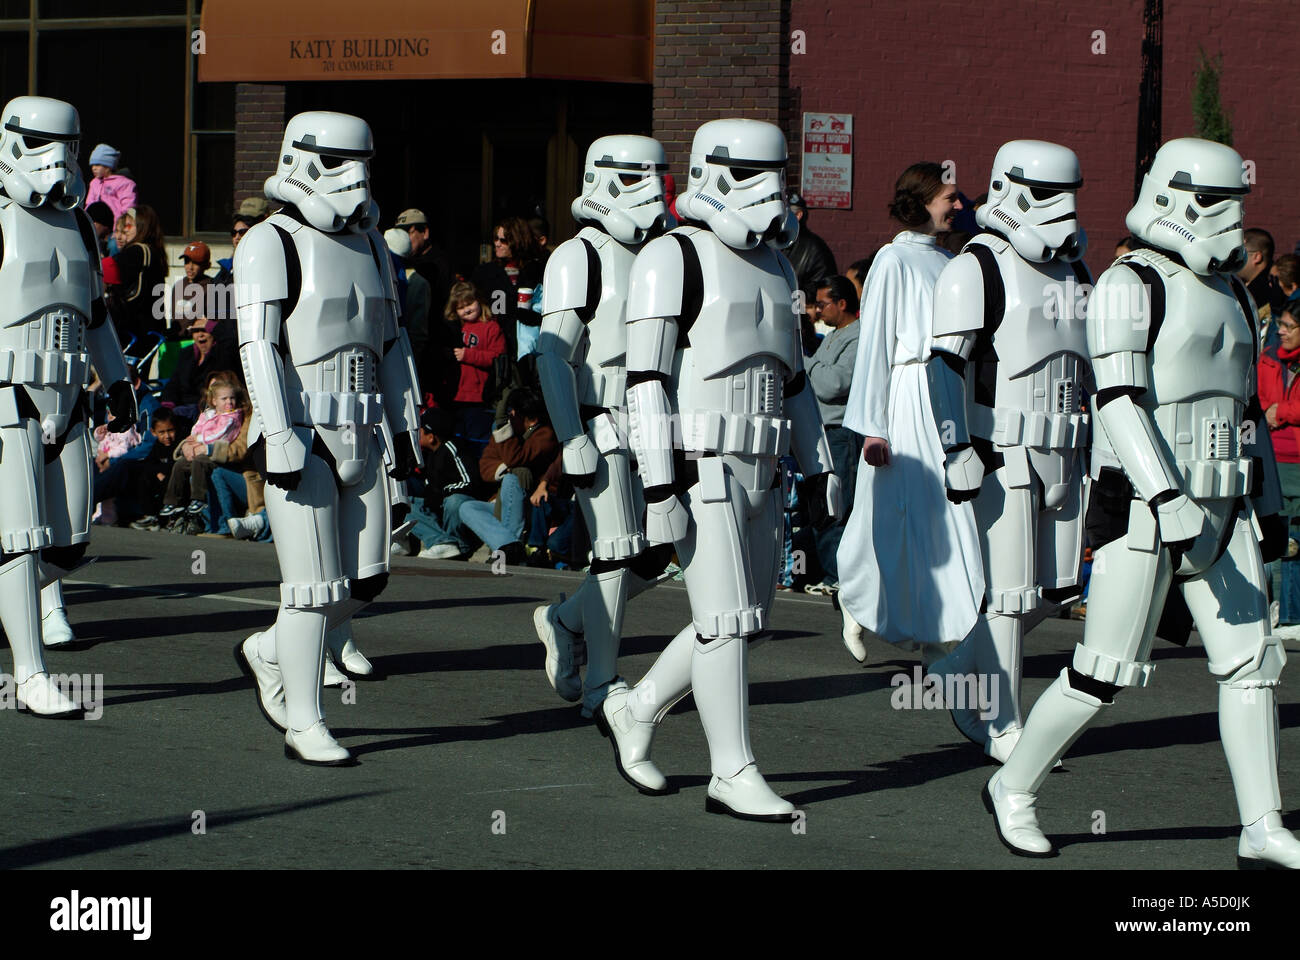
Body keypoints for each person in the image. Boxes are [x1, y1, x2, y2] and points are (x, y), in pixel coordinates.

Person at [983, 138, 1300, 869]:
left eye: (1237, 205)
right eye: (1216, 202)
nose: (1230, 218)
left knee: (1253, 665)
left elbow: (1246, 406)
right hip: (1145, 507)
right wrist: (1164, 494)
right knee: (1102, 673)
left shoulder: (1233, 291)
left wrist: (1267, 502)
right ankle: (1015, 785)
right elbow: (1118, 399)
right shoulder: (1131, 282)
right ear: (1173, 197)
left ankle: (1260, 822)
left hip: (1223, 505)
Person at [609, 119, 840, 820]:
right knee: (726, 621)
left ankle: (640, 707)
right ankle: (730, 770)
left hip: (763, 467)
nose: (770, 194)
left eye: (777, 174)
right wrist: (657, 485)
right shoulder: (671, 258)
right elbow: (645, 379)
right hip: (699, 462)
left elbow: (794, 379)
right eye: (750, 175)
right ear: (711, 172)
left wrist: (820, 463)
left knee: (743, 618)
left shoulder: (774, 267)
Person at [233, 111, 422, 765]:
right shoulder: (270, 240)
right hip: (303, 427)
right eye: (340, 162)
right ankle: (306, 720)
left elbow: (392, 341)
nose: (356, 178)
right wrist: (279, 431)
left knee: (365, 581)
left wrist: (408, 427)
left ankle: (267, 648)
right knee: (311, 589)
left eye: (362, 163)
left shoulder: (372, 244)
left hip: (364, 429)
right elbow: (256, 342)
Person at [925, 141, 1092, 764]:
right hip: (1004, 450)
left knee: (1055, 589)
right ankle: (1002, 722)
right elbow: (944, 364)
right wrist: (956, 446)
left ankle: (956, 673)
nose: (1064, 209)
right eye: (1050, 194)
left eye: (1070, 193)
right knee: (1012, 593)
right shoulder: (978, 265)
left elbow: (1094, 364)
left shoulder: (1075, 270)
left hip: (1066, 449)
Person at [0, 97, 137, 713]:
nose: (59, 160)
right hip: (10, 392)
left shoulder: (81, 223)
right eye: (42, 144)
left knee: (68, 543)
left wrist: (118, 381)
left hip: (70, 394)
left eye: (69, 146)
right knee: (21, 541)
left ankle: (16, 606)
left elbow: (97, 314)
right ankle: (30, 674)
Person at [532, 134, 676, 715]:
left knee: (656, 552)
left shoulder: (664, 251)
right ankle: (602, 683)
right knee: (614, 552)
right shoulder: (579, 255)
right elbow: (552, 355)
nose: (657, 192)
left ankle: (564, 621)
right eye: (644, 178)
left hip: (654, 418)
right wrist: (571, 437)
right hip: (599, 418)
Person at [836, 162, 984, 664]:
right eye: (950, 198)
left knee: (938, 512)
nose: (959, 206)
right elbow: (875, 340)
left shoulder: (950, 262)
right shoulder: (892, 260)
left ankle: (930, 622)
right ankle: (872, 604)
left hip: (947, 390)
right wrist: (873, 426)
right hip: (908, 394)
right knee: (901, 510)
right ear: (921, 202)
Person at [803, 275, 862, 596]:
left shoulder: (860, 335)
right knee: (820, 504)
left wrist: (806, 363)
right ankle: (829, 574)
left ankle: (840, 576)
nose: (819, 311)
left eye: (823, 304)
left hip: (841, 434)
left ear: (842, 304)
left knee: (838, 504)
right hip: (820, 433)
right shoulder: (832, 336)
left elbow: (833, 385)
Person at [461, 389, 558, 565]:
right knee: (467, 507)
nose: (510, 416)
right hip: (505, 502)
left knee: (514, 478)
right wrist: (509, 468)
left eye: (514, 413)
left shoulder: (545, 435)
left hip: (531, 505)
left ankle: (506, 552)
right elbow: (485, 468)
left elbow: (514, 458)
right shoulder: (507, 432)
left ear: (530, 418)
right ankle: (509, 545)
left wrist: (503, 431)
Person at [1259, 304, 1300, 639]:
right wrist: (1268, 411)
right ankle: (1273, 609)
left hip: (1296, 459)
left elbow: (1282, 406)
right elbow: (1256, 396)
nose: (1281, 331)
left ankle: (1289, 614)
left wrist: (1281, 410)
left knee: (1293, 537)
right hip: (1272, 455)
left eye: (1288, 326)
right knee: (1275, 533)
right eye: (1281, 325)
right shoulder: (1269, 359)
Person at [159, 376, 245, 534]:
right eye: (224, 399)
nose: (229, 402)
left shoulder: (232, 417)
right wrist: (191, 441)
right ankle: (172, 502)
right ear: (214, 401)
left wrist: (199, 441)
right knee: (180, 464)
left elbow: (220, 434)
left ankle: (198, 499)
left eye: (232, 398)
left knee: (199, 462)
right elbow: (196, 428)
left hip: (216, 451)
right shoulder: (208, 414)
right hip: (201, 446)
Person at [408, 406, 479, 559]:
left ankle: (458, 545)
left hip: (457, 504)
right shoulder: (430, 455)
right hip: (439, 506)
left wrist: (440, 495)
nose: (417, 433)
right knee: (406, 504)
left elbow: (469, 482)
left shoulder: (453, 448)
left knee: (454, 502)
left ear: (431, 437)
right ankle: (438, 541)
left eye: (420, 430)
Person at [472, 216, 544, 362]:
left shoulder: (536, 271)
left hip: (527, 350)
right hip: (494, 351)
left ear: (517, 241)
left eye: (503, 240)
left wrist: (528, 315)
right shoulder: (485, 272)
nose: (497, 244)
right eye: (495, 239)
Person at [446, 280, 505, 444]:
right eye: (460, 307)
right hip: (456, 394)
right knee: (458, 440)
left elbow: (497, 358)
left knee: (477, 440)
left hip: (479, 396)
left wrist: (468, 356)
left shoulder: (491, 327)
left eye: (470, 303)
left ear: (478, 300)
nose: (467, 309)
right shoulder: (455, 328)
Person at [101, 204, 168, 340]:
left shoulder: (139, 250)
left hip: (136, 327)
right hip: (150, 327)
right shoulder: (154, 251)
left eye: (128, 226)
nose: (123, 233)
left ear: (142, 227)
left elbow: (107, 268)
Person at [159, 319, 239, 417]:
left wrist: (212, 326)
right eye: (196, 331)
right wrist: (167, 406)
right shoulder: (186, 353)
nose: (200, 335)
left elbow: (231, 339)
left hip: (207, 408)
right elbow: (174, 383)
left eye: (204, 330)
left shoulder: (222, 353)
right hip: (183, 406)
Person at [1240, 228, 1285, 351]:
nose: (1235, 259)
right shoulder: (1237, 284)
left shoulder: (1272, 290)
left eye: (1240, 253)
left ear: (1257, 257)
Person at [784, 190, 837, 289]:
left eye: (781, 212)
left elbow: (820, 294)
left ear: (797, 215)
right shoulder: (770, 244)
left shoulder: (816, 251)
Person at [170, 241, 213, 335]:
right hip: (177, 341)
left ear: (207, 265)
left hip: (199, 341)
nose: (190, 267)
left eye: (195, 263)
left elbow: (212, 321)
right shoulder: (178, 286)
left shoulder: (212, 286)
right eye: (187, 262)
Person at [85, 143, 136, 219]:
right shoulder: (94, 183)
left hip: (116, 227)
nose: (94, 168)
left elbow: (129, 207)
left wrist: (126, 225)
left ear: (108, 166)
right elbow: (89, 204)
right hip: (96, 225)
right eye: (92, 165)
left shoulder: (125, 183)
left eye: (97, 165)